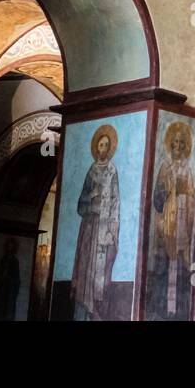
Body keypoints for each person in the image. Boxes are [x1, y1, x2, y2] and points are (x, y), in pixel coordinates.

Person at [72, 126, 120, 320]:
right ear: (96, 147)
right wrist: (90, 196)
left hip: (103, 228)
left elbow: (116, 202)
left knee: (102, 269)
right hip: (90, 228)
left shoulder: (112, 171)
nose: (103, 148)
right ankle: (83, 309)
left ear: (110, 149)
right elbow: (80, 204)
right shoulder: (91, 171)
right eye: (100, 144)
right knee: (86, 267)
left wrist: (112, 230)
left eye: (106, 145)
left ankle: (96, 311)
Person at [149, 122, 195, 318]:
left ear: (186, 146)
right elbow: (157, 200)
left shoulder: (188, 169)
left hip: (183, 225)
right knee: (164, 265)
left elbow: (193, 196)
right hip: (167, 224)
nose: (178, 147)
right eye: (175, 143)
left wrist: (186, 192)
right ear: (170, 145)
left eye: (181, 143)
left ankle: (179, 311)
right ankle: (161, 310)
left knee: (181, 269)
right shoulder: (164, 167)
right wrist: (169, 188)